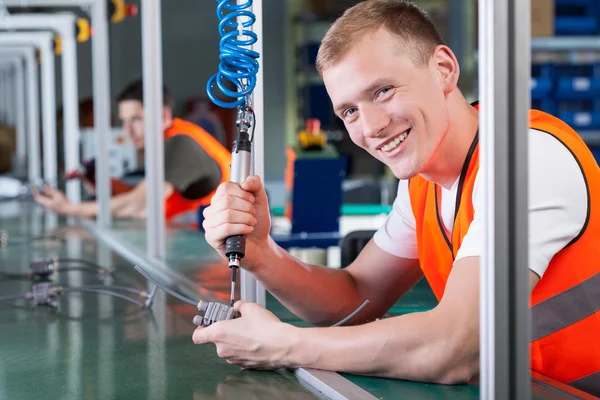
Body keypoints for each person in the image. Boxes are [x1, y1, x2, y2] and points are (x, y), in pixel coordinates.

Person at [193, 0, 600, 395]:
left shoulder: (523, 159)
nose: (371, 127)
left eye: (383, 91)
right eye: (349, 111)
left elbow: (453, 347)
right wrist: (262, 254)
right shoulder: (423, 181)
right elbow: (354, 298)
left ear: (444, 69)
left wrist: (284, 344)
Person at [35, 80, 232, 221]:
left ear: (163, 116)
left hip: (222, 252)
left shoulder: (180, 143)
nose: (128, 130)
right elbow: (147, 196)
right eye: (124, 121)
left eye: (136, 119)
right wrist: (107, 184)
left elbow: (140, 204)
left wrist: (69, 209)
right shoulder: (168, 141)